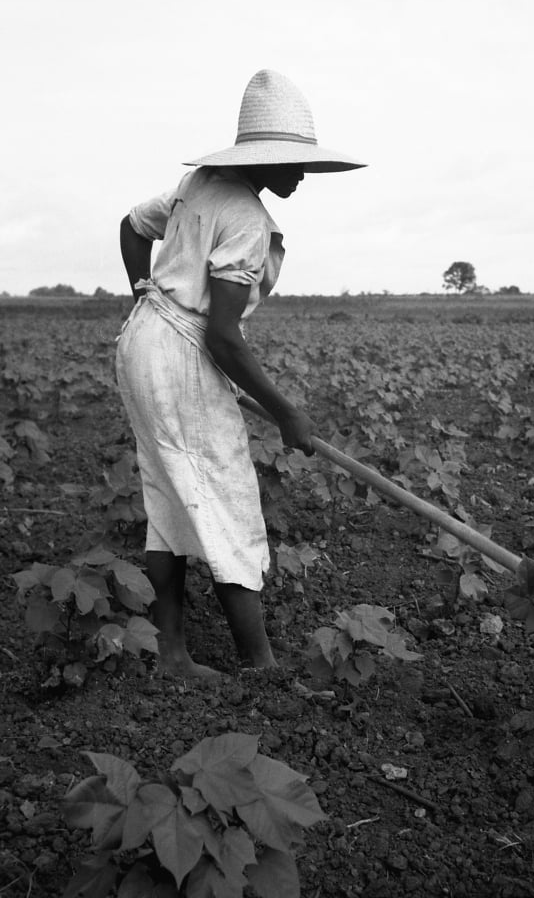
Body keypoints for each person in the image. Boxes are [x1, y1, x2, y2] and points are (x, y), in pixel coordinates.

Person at [116, 69, 365, 677]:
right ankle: (261, 665)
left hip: (144, 342)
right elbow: (224, 338)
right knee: (227, 499)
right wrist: (287, 413)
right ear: (261, 158)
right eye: (291, 162)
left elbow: (130, 225)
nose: (302, 173)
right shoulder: (248, 220)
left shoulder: (196, 186)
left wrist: (144, 302)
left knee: (169, 500)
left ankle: (172, 653)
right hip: (178, 353)